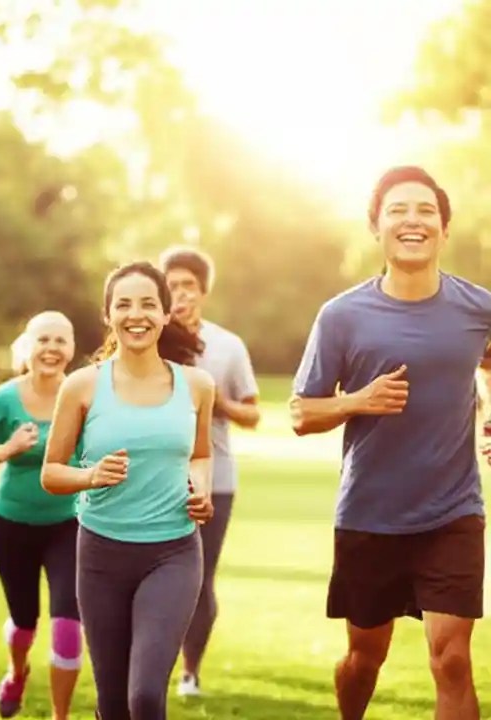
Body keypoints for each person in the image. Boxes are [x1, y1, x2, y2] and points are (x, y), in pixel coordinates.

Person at [290, 165, 487, 720]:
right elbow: (301, 412)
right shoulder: (342, 316)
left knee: (452, 660)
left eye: (426, 211)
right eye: (398, 210)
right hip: (370, 516)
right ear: (376, 226)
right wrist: (357, 401)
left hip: (453, 513)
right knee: (364, 659)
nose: (412, 221)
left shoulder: (478, 308)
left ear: (445, 229)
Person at [41, 261, 216, 720]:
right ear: (108, 315)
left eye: (148, 304)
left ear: (165, 314)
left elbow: (200, 454)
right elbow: (51, 472)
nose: (136, 315)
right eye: (123, 304)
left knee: (145, 696)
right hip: (101, 556)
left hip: (173, 553)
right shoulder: (82, 386)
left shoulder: (197, 385)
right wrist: (90, 476)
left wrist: (201, 488)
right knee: (113, 703)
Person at [158, 246, 261, 697]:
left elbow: (253, 414)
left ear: (203, 292)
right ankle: (151, 666)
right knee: (155, 578)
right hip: (154, 479)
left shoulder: (228, 346)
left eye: (189, 286)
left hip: (214, 481)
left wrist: (217, 401)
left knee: (199, 580)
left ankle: (189, 671)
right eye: (172, 286)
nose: (181, 294)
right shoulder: (148, 339)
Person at [0, 311, 85, 719]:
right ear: (28, 346)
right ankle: (17, 671)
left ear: (71, 348)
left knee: (68, 623)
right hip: (13, 526)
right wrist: (7, 450)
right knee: (24, 623)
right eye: (43, 339)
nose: (51, 348)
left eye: (60, 340)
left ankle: (61, 715)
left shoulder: (82, 397)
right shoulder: (3, 401)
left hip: (68, 524)